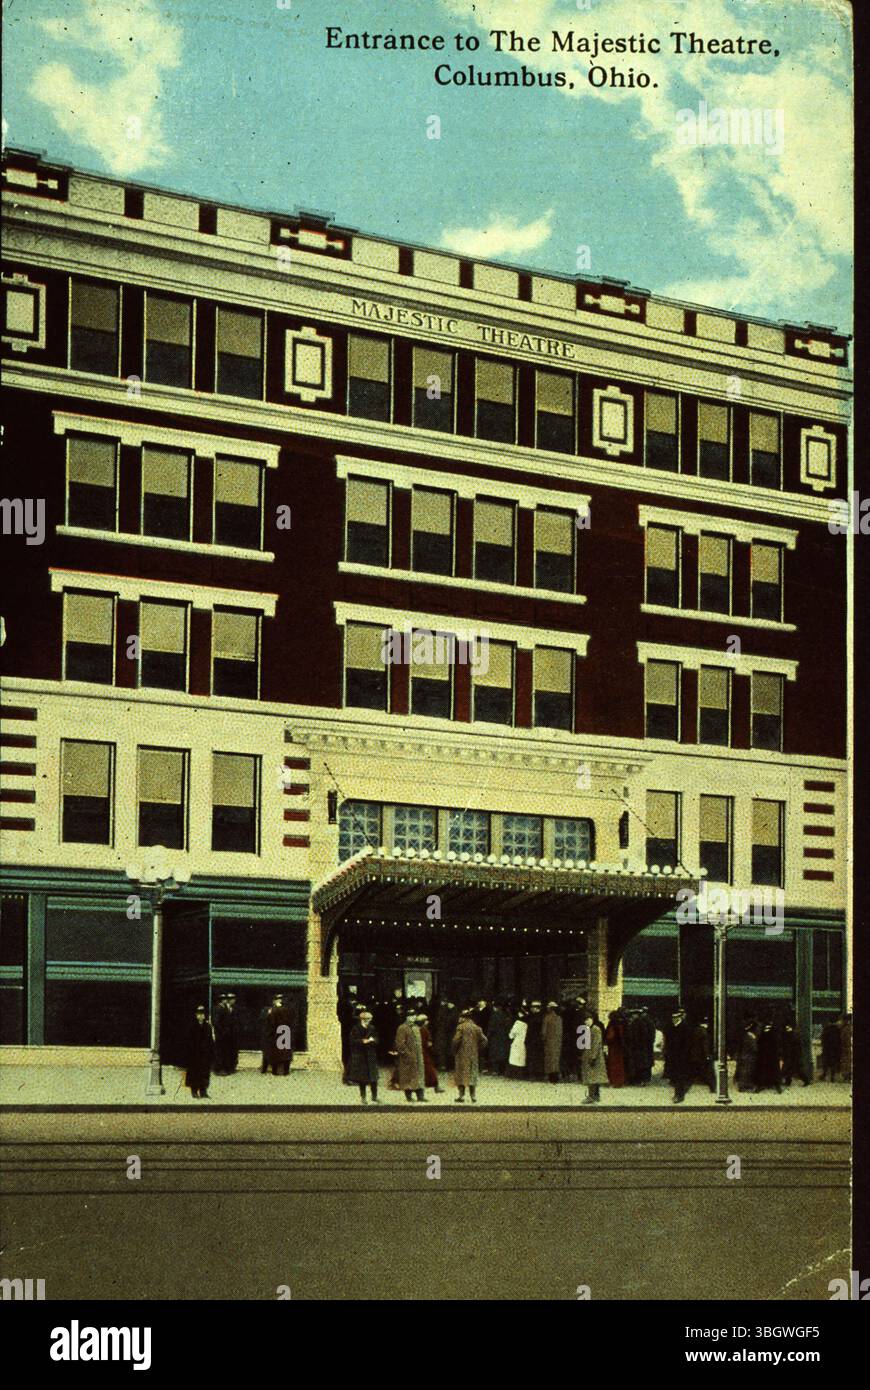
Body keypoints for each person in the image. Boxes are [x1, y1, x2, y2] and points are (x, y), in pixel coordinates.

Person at [452, 1008, 487, 1102]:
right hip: (473, 1055)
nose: (459, 1019)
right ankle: (473, 1096)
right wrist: (478, 1048)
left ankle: (461, 1096)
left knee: (461, 1074)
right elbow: (484, 1040)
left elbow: (456, 1040)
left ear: (464, 1018)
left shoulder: (460, 1027)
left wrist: (454, 1050)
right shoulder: (477, 1028)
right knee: (472, 1075)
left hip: (462, 1054)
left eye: (460, 1017)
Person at [348, 1007, 380, 1103]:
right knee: (362, 1079)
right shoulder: (356, 1029)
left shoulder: (372, 1028)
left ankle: (374, 1096)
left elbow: (377, 1039)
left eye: (369, 1020)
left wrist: (373, 1041)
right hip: (361, 1055)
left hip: (371, 1055)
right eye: (366, 1020)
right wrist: (362, 1041)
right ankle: (363, 1097)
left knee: (374, 1078)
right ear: (362, 1020)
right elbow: (352, 1041)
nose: (368, 1022)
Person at [185, 1004, 215, 1099]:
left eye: (203, 1014)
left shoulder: (208, 1026)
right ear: (196, 1015)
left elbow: (210, 1040)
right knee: (195, 1072)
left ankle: (203, 1091)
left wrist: (211, 1051)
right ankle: (194, 1091)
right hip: (195, 1054)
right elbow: (189, 1040)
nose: (201, 1016)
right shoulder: (192, 1026)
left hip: (205, 1054)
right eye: (199, 1014)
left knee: (205, 1073)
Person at [396, 1011, 426, 1101]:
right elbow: (400, 1043)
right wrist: (407, 1054)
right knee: (408, 1077)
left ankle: (420, 1096)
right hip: (408, 1058)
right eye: (410, 1016)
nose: (412, 1018)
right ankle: (409, 1096)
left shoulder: (416, 1027)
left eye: (414, 1016)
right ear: (406, 1017)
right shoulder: (402, 1028)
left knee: (419, 1077)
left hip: (418, 1057)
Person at [664, 1008, 693, 1103]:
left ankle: (679, 1096)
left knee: (680, 1077)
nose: (674, 1019)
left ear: (680, 1018)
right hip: (673, 1056)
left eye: (676, 1017)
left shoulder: (685, 1027)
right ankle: (679, 1093)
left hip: (682, 1057)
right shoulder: (672, 1027)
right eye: (673, 1018)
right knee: (676, 1076)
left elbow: (687, 1044)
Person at [261, 993, 293, 1076]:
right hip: (279, 1033)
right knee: (280, 1052)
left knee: (280, 1052)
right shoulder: (285, 1009)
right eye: (278, 999)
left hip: (278, 1033)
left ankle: (280, 1071)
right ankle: (281, 1071)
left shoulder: (278, 1009)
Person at [579, 1013, 608, 1103]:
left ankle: (591, 1096)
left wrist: (593, 1057)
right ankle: (596, 1096)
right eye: (585, 1020)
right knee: (594, 1077)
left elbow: (596, 1043)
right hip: (590, 1056)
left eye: (588, 1019)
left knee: (592, 1077)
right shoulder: (589, 1029)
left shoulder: (595, 1029)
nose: (586, 1022)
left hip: (594, 1057)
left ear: (592, 1019)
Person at [213, 993, 240, 1076]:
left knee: (225, 1051)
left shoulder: (224, 1008)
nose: (226, 1000)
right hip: (221, 1035)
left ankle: (225, 1068)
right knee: (220, 1051)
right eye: (224, 999)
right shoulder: (219, 1008)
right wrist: (223, 1031)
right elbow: (216, 1022)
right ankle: (219, 1069)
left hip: (225, 1034)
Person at [417, 1010, 444, 1093]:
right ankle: (435, 1086)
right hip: (425, 1053)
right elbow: (427, 1043)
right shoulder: (424, 1030)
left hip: (420, 1052)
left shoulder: (418, 1029)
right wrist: (433, 1050)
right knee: (430, 1070)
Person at [755, 1021, 782, 1094]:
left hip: (769, 1057)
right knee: (769, 1072)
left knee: (768, 1071)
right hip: (768, 1057)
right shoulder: (771, 1034)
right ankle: (768, 1085)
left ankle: (772, 1086)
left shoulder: (767, 1035)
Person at [486, 1000, 511, 1077]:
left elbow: (491, 1027)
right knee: (502, 1054)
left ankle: (495, 1070)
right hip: (503, 1037)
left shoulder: (494, 1015)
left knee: (494, 1053)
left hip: (495, 1037)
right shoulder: (505, 1015)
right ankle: (502, 1071)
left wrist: (488, 1036)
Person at [782, 1021, 809, 1087]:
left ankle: (806, 1080)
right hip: (793, 1055)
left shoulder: (793, 1036)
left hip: (793, 1055)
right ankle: (788, 1081)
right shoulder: (793, 1035)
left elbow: (795, 1046)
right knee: (791, 1069)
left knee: (795, 1069)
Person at [434, 999, 458, 1071]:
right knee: (446, 1049)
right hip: (446, 1034)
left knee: (445, 1049)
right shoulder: (452, 1011)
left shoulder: (446, 1011)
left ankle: (444, 1065)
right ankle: (446, 1065)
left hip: (445, 1033)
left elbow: (445, 1021)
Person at [735, 1020, 759, 1092]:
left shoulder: (745, 1035)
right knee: (747, 1072)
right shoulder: (751, 1036)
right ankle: (744, 1087)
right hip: (749, 1057)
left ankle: (743, 1086)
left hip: (744, 1056)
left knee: (745, 1072)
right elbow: (754, 1048)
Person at [542, 1002, 563, 1083]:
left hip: (549, 1042)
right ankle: (556, 1077)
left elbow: (543, 1032)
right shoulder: (559, 1018)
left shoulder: (546, 1018)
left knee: (548, 1059)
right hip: (557, 1042)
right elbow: (561, 1031)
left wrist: (544, 1040)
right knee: (556, 1059)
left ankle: (549, 1077)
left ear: (550, 1008)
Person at [604, 1009, 626, 1087]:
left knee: (613, 1064)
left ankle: (614, 1081)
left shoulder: (612, 1024)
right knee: (620, 1064)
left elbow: (610, 1036)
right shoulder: (622, 1023)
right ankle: (620, 1081)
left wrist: (606, 1041)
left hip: (613, 1047)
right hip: (620, 1046)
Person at [525, 1001, 545, 1080]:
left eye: (532, 1007)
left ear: (536, 1008)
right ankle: (538, 1074)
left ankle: (533, 1074)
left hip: (533, 1041)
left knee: (533, 1058)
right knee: (537, 1058)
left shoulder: (534, 1018)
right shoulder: (542, 1017)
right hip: (538, 1041)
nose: (531, 1009)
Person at [507, 1010, 528, 1078]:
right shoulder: (526, 1024)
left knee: (514, 1059)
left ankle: (513, 1074)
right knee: (521, 1059)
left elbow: (511, 1035)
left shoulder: (517, 1023)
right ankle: (521, 1074)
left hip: (516, 1042)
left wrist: (510, 1035)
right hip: (523, 1042)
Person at [840, 1014, 852, 1082]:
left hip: (846, 1048)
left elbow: (843, 1039)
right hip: (848, 1048)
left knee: (846, 1063)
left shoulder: (846, 1029)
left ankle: (847, 1077)